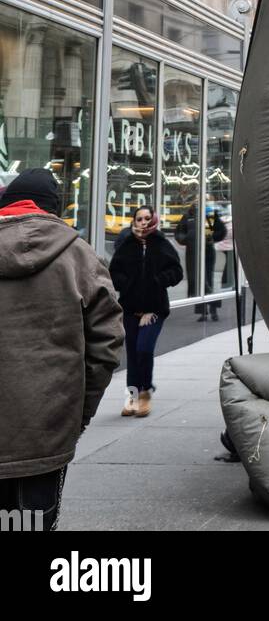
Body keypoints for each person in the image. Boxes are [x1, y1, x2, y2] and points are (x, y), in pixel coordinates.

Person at [0, 169, 123, 531]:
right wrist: (78, 414)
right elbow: (107, 345)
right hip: (46, 432)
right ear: (54, 209)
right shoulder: (79, 256)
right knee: (29, 526)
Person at [109, 205, 183, 418]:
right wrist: (127, 283)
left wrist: (158, 281)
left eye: (146, 218)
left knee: (144, 349)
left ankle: (145, 393)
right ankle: (131, 397)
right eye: (139, 219)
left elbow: (176, 271)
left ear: (153, 220)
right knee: (132, 354)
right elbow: (114, 272)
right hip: (131, 309)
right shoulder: (126, 244)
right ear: (134, 221)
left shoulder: (161, 243)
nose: (142, 222)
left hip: (155, 310)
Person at [174, 200, 226, 321]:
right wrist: (186, 239)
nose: (198, 203)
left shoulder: (210, 215)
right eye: (196, 201)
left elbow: (221, 231)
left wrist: (212, 238)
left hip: (207, 252)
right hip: (192, 253)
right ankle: (203, 311)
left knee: (207, 279)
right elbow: (179, 233)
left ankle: (213, 308)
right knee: (196, 281)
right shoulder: (188, 216)